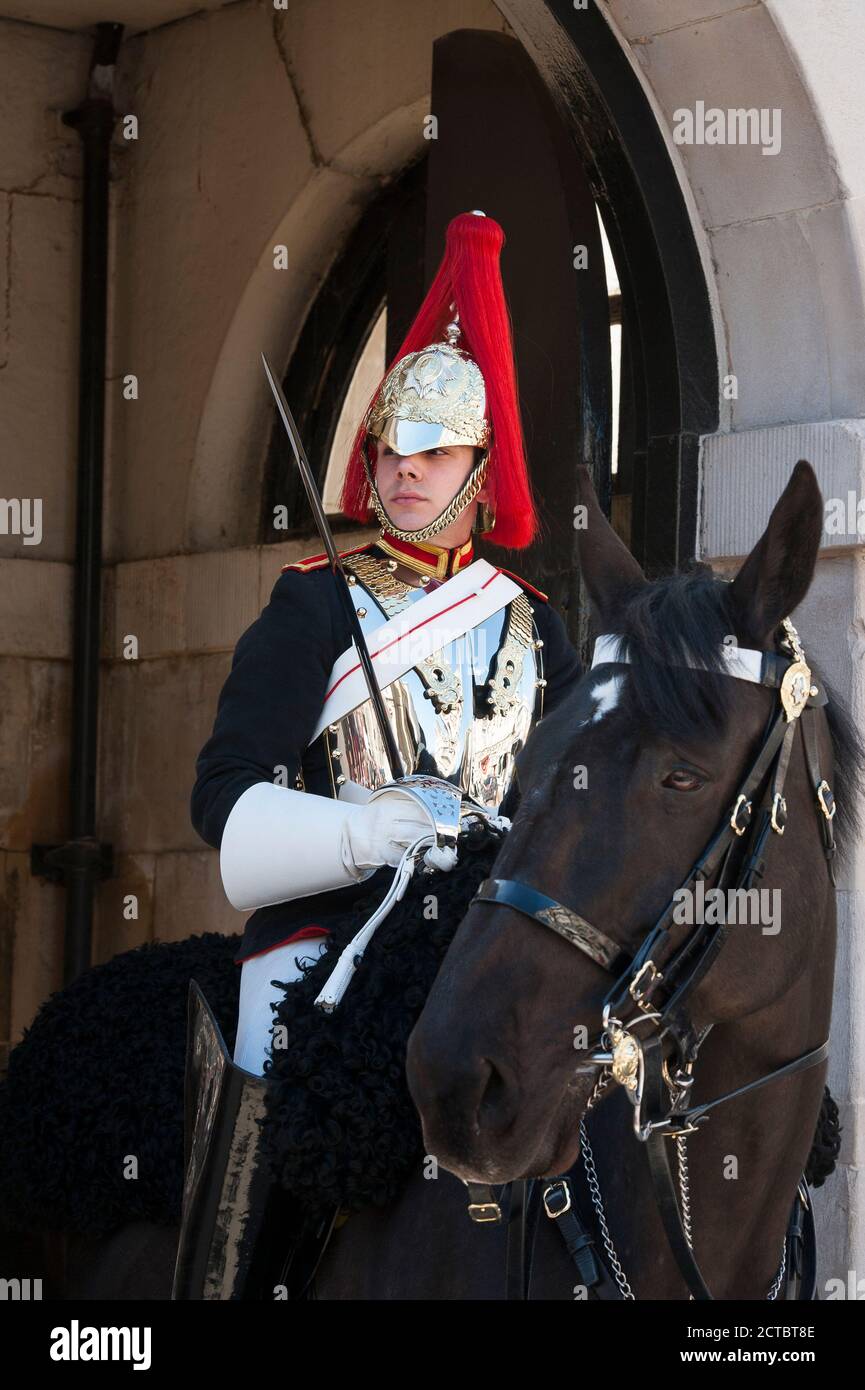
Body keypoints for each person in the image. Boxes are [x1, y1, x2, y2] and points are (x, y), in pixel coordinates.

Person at [173, 210, 582, 1299]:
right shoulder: (313, 606)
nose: (404, 474)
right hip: (334, 930)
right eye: (389, 452)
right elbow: (221, 798)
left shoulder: (539, 623)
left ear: (482, 467)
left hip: (490, 937)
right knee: (267, 1086)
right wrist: (364, 827)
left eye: (433, 453)